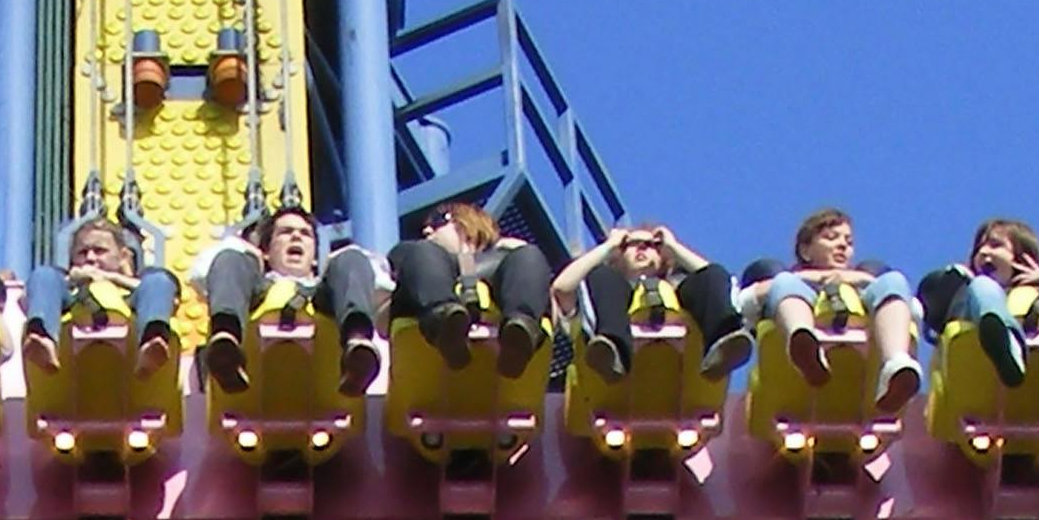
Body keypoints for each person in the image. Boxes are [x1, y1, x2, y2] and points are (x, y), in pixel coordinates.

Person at [744, 206, 921, 411]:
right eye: (831, 238)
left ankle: (895, 365)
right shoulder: (789, 280)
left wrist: (862, 279)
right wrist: (810, 277)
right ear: (806, 250)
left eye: (848, 242)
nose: (842, 246)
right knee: (785, 282)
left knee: (894, 280)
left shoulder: (867, 283)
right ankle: (804, 344)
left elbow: (915, 310)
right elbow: (745, 303)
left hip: (863, 365)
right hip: (791, 379)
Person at [199, 198, 385, 392]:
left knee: (352, 258)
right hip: (259, 314)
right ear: (266, 252)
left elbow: (382, 284)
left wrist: (338, 265)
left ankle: (357, 349)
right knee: (230, 258)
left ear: (314, 256)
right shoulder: (246, 280)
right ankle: (225, 347)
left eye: (305, 234)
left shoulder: (332, 286)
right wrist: (249, 254)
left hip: (320, 313)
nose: (296, 236)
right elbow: (201, 273)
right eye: (285, 232)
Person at [919, 217, 1039, 392]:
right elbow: (936, 316)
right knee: (984, 286)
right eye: (979, 249)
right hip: (978, 382)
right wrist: (958, 277)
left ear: (1021, 257)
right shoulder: (968, 293)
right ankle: (1006, 344)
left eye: (995, 245)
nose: (983, 252)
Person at [552, 214, 745, 376]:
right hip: (615, 386)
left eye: (652, 245)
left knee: (713, 274)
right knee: (603, 276)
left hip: (683, 381)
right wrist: (608, 246)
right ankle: (611, 350)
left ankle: (724, 343)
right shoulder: (599, 291)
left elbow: (720, 282)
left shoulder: (684, 294)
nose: (641, 248)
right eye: (631, 244)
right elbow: (562, 288)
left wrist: (675, 248)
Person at [389, 193, 550, 361]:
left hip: (498, 326)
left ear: (466, 225)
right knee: (423, 251)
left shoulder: (509, 262)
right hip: (421, 340)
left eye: (438, 221)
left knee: (529, 256)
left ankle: (519, 332)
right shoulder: (412, 255)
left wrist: (517, 250)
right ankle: (445, 321)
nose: (427, 230)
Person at [33, 207, 178, 343]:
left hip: (130, 335)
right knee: (44, 275)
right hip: (75, 323)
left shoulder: (145, 284)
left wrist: (111, 277)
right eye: (82, 252)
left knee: (159, 280)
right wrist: (72, 280)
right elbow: (26, 298)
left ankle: (152, 341)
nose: (90, 258)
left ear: (123, 256)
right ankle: (42, 339)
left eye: (100, 251)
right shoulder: (62, 283)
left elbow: (167, 294)